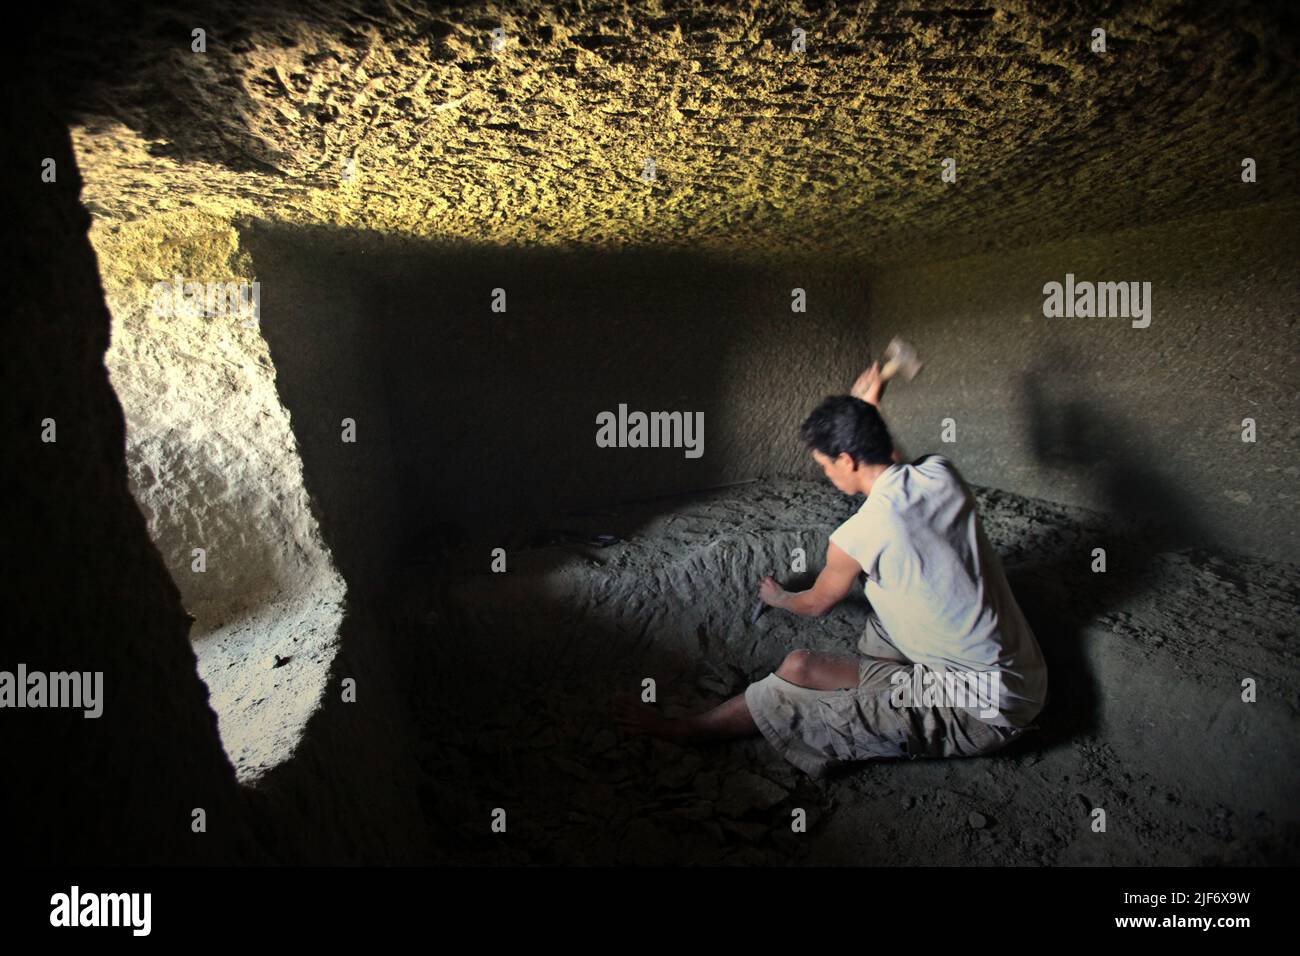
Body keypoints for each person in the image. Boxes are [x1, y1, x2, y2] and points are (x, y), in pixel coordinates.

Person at [614, 360, 1048, 777]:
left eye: (825, 464)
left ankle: (689, 731)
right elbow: (891, 464)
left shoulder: (856, 538)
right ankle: (886, 686)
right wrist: (868, 409)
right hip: (1014, 676)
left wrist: (779, 597)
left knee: (788, 702)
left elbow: (816, 603)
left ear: (846, 459)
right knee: (801, 665)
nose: (825, 474)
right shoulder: (941, 475)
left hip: (983, 709)